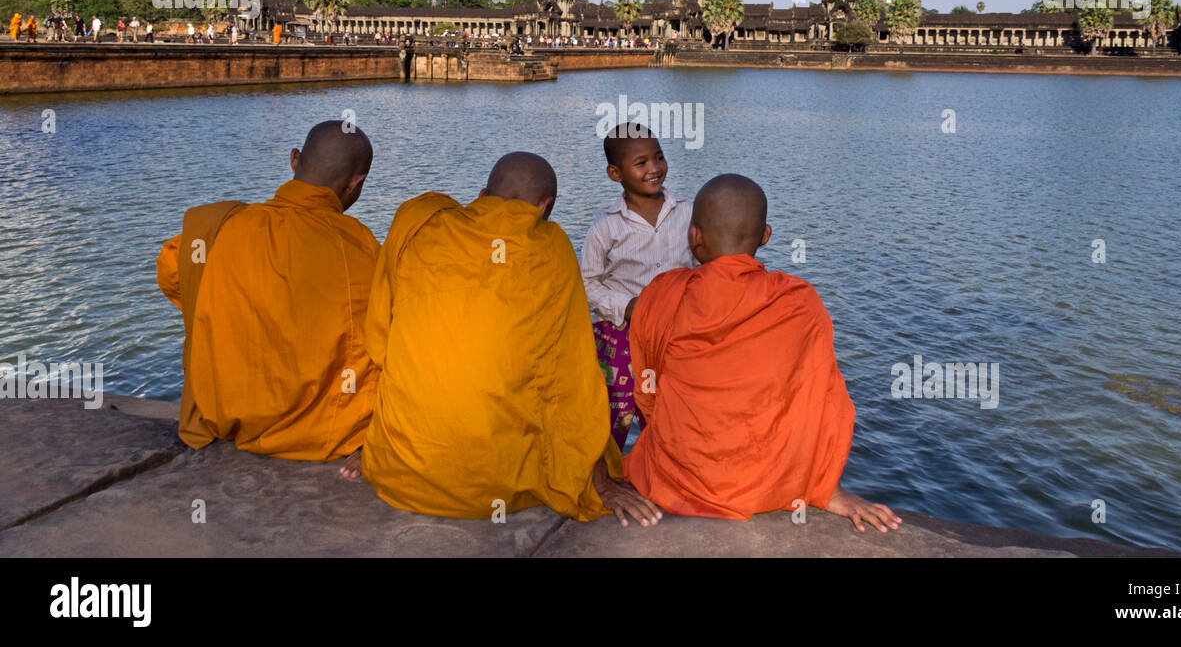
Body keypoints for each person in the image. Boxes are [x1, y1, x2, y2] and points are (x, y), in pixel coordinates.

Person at [350, 152, 661, 528]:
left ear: (481, 195)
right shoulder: (549, 246)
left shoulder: (416, 222)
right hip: (496, 486)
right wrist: (597, 479)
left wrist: (379, 435)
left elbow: (380, 339)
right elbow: (571, 379)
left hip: (401, 470)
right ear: (545, 206)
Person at [622, 174, 903, 534]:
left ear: (694, 237)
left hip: (677, 478)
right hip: (772, 484)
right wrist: (827, 488)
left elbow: (647, 391)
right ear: (765, 235)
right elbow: (824, 402)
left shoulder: (664, 293)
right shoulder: (798, 300)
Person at [155, 120, 380, 460]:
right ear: (356, 182)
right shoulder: (361, 245)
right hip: (329, 433)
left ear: (294, 160)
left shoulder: (220, 228)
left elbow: (173, 274)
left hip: (228, 421)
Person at [580, 123, 695, 450]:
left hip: (674, 334)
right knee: (614, 412)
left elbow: (705, 267)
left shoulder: (688, 213)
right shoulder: (605, 227)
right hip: (620, 336)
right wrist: (626, 306)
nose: (655, 168)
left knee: (669, 412)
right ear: (615, 174)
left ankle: (664, 475)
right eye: (641, 163)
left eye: (659, 157)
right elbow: (587, 284)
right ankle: (604, 477)